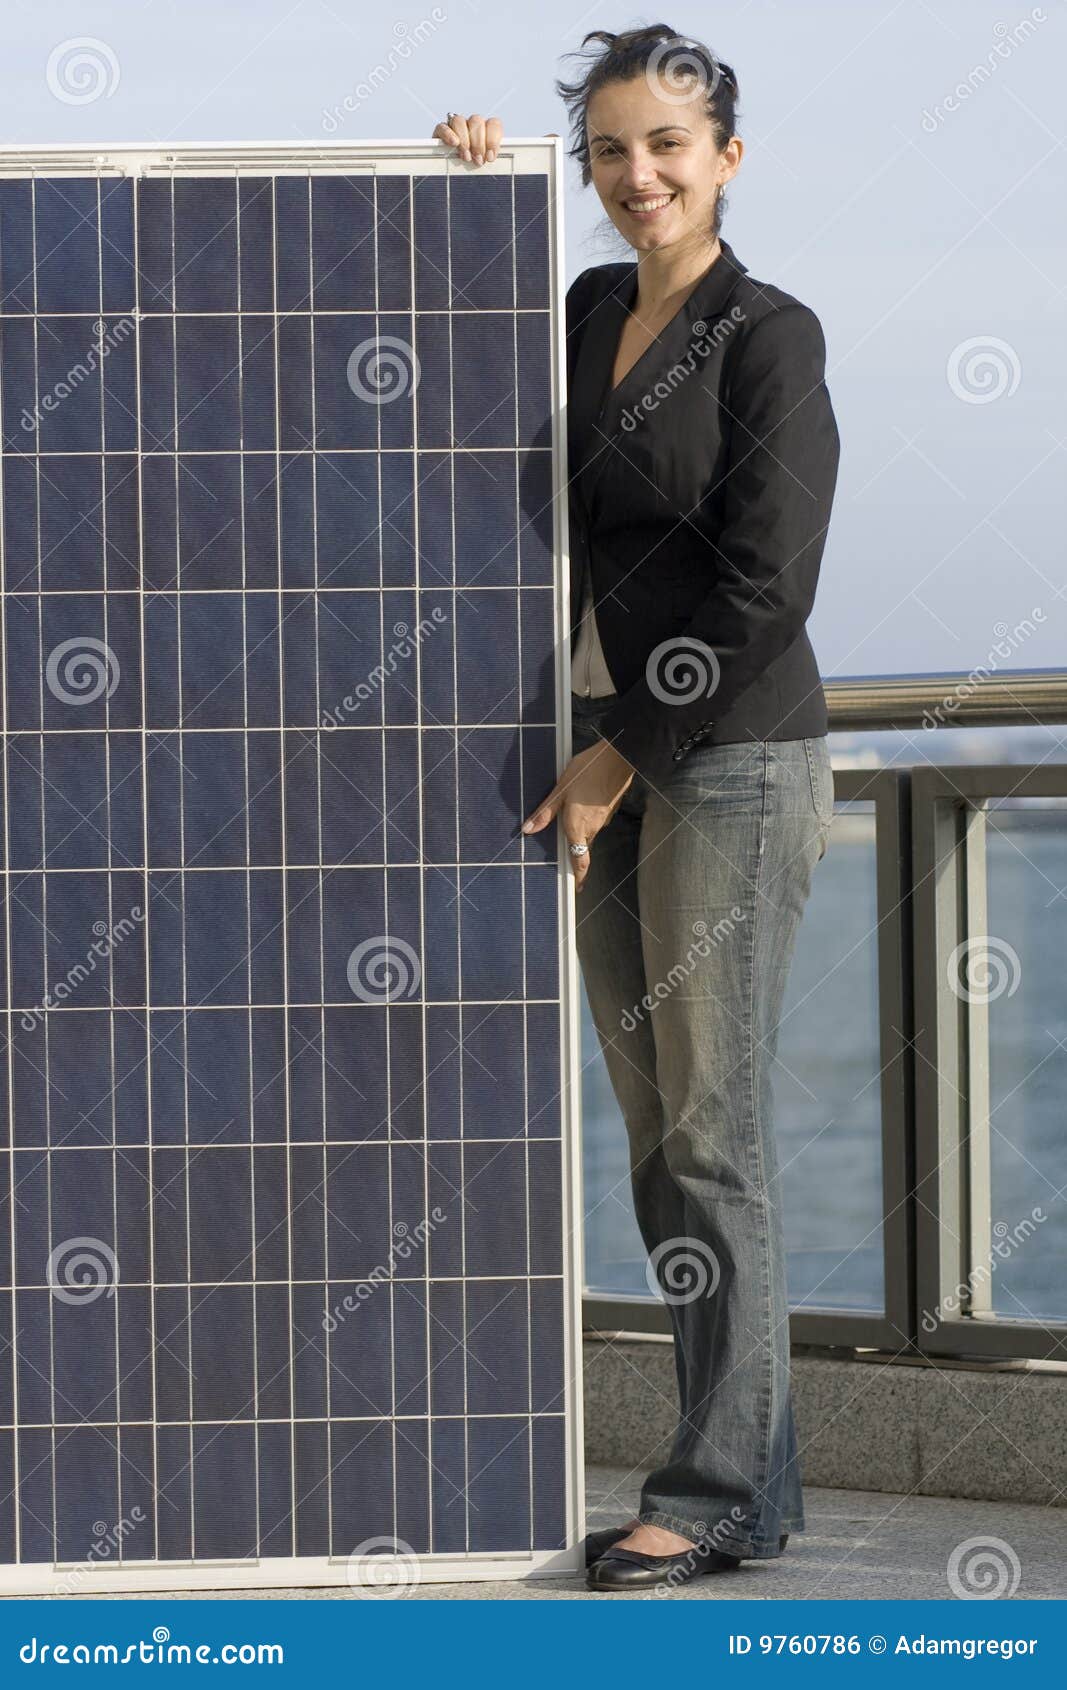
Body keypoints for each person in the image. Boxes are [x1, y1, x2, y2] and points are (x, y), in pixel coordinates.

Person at [434, 22, 839, 1593]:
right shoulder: (590, 305)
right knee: (660, 1135)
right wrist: (466, 185)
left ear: (726, 158)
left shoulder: (766, 336)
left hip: (728, 756)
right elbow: (455, 381)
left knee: (714, 1128)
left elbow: (765, 589)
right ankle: (753, 1481)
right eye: (607, 150)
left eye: (666, 146)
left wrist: (613, 754)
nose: (635, 176)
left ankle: (713, 1490)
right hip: (608, 750)